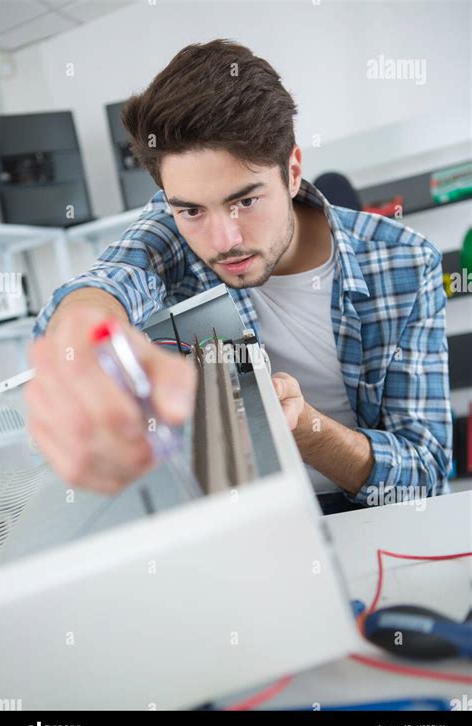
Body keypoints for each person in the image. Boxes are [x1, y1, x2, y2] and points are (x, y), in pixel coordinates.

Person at [28, 39, 452, 509]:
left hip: (372, 516)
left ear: (292, 172)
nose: (223, 240)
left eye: (244, 201)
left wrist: (302, 425)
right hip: (238, 519)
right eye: (191, 210)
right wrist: (84, 345)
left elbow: (425, 478)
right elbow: (115, 278)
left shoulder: (406, 261)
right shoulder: (172, 226)